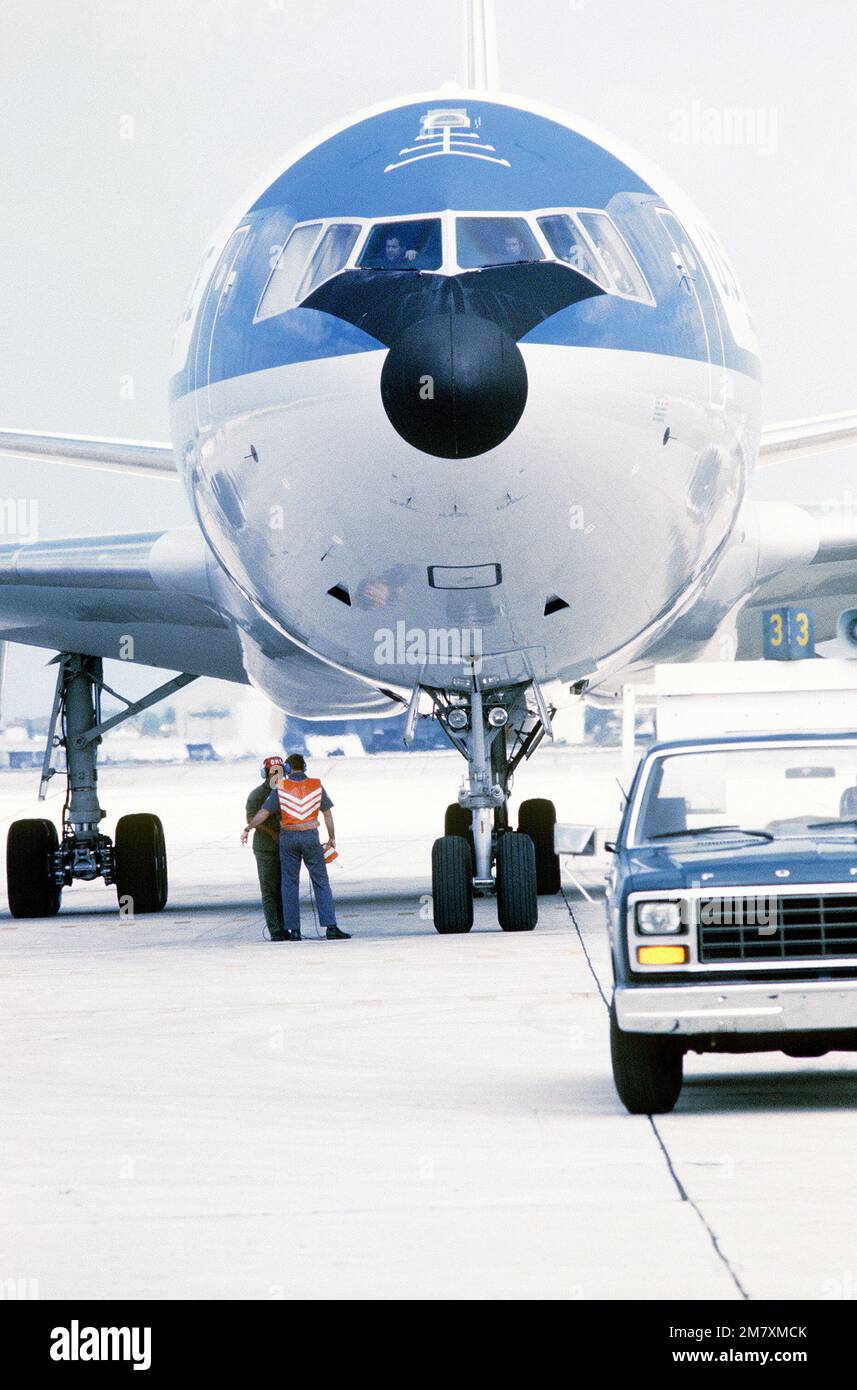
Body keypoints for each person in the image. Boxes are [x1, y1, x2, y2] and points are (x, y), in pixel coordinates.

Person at [242, 753, 350, 941]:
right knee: (321, 882)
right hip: (310, 837)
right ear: (305, 767)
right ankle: (331, 927)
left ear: (288, 770)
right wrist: (332, 837)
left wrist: (247, 828)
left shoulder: (282, 788)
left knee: (289, 884)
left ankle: (294, 931)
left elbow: (263, 813)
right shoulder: (316, 785)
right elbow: (327, 815)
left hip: (288, 839)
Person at [245, 755, 286, 940]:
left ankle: (287, 926)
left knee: (284, 889)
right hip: (265, 849)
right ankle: (275, 930)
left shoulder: (287, 791)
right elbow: (251, 820)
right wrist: (272, 833)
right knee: (270, 891)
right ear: (265, 774)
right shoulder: (256, 795)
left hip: (286, 848)